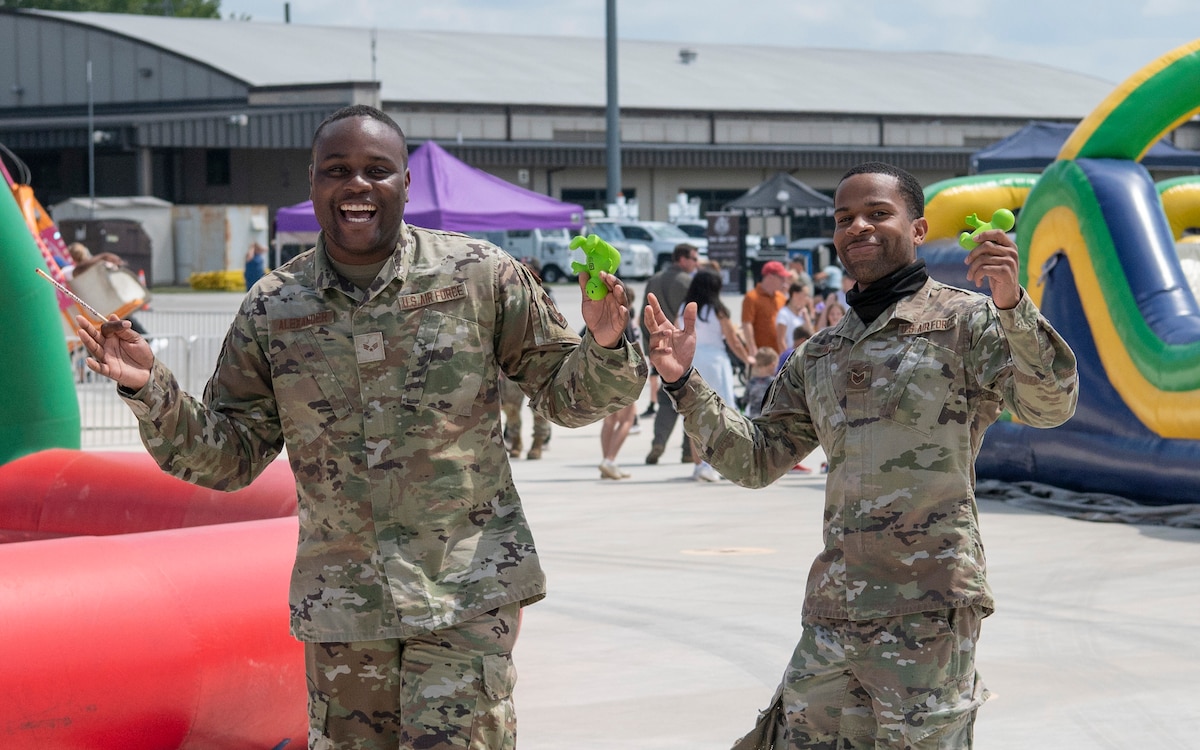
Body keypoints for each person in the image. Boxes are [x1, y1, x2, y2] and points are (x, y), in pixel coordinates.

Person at [74, 104, 646, 750]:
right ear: (313, 181)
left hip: (464, 599)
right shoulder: (274, 307)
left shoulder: (478, 277)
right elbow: (226, 456)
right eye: (338, 170)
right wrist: (148, 387)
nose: (357, 186)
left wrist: (605, 344)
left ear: (406, 182)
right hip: (344, 614)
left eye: (377, 170)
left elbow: (568, 399)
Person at [643, 161, 1077, 748]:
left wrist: (1012, 305)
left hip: (926, 608)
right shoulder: (819, 354)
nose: (859, 228)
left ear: (919, 228)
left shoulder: (966, 323)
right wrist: (682, 382)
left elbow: (1050, 404)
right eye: (845, 218)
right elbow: (755, 460)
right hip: (834, 609)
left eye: (878, 214)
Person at [679, 268, 750, 482]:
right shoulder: (718, 310)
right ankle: (717, 465)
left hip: (691, 361)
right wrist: (748, 359)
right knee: (721, 414)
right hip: (716, 362)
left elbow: (677, 333)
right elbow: (733, 340)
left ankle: (698, 465)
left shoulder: (684, 308)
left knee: (694, 414)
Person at [640, 242, 700, 465]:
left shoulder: (654, 279)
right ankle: (687, 450)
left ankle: (658, 443)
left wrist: (651, 348)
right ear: (682, 259)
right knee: (689, 399)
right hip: (683, 349)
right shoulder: (689, 282)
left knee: (666, 402)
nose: (696, 262)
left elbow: (644, 317)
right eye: (694, 258)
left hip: (660, 348)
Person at [500, 257, 554, 460]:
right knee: (510, 406)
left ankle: (538, 441)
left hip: (537, 364)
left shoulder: (546, 298)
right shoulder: (507, 296)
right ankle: (515, 440)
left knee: (539, 408)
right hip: (512, 362)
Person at [62, 241, 151, 337]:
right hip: (96, 307)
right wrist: (103, 257)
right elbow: (78, 269)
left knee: (121, 321)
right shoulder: (71, 271)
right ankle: (147, 339)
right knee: (122, 321)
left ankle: (147, 339)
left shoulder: (69, 271)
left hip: (94, 308)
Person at [597, 289, 641, 479]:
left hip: (602, 373)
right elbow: (631, 347)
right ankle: (610, 460)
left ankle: (607, 461)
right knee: (627, 419)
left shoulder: (601, 316)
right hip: (622, 374)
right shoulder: (625, 317)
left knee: (610, 420)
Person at [740, 259, 789, 357]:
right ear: (770, 276)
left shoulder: (781, 297)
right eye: (781, 278)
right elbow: (747, 323)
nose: (784, 282)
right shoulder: (751, 297)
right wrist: (752, 347)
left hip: (780, 353)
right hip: (761, 355)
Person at [775, 281, 816, 354]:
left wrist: (807, 319)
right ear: (795, 295)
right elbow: (781, 341)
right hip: (791, 357)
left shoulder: (803, 314)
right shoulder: (783, 314)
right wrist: (788, 358)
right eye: (805, 295)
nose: (807, 299)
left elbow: (812, 336)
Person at [743, 346, 778, 419]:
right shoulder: (774, 382)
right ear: (773, 365)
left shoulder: (751, 382)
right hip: (768, 420)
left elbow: (745, 400)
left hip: (753, 418)